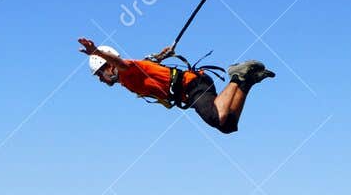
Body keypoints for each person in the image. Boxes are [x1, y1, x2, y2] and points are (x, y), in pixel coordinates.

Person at [78, 38, 274, 134]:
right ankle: (247, 81)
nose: (101, 79)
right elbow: (150, 61)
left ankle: (237, 76)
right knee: (228, 126)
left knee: (215, 117)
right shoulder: (130, 75)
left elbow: (121, 63)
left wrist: (96, 52)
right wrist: (161, 55)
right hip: (191, 89)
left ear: (109, 66)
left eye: (100, 74)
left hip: (192, 85)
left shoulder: (125, 70)